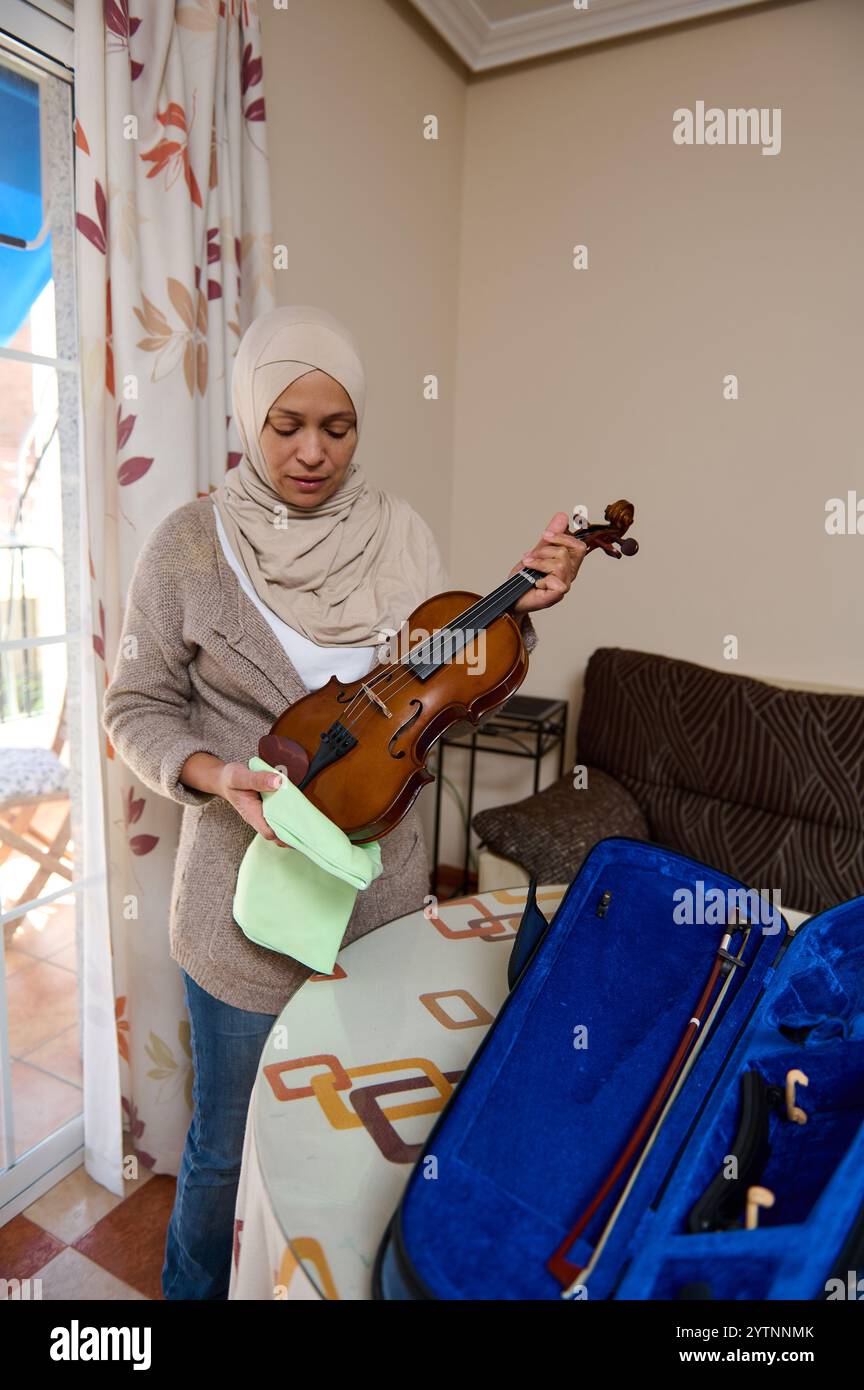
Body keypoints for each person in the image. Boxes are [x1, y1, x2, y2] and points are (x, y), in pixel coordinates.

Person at [101, 304, 587, 1300]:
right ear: (249, 419)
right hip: (242, 911)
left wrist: (517, 609)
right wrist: (208, 774)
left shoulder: (398, 533)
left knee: (352, 1141)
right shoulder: (188, 544)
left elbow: (434, 684)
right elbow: (135, 705)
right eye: (288, 426)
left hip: (378, 901)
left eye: (339, 426)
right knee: (224, 1151)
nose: (314, 452)